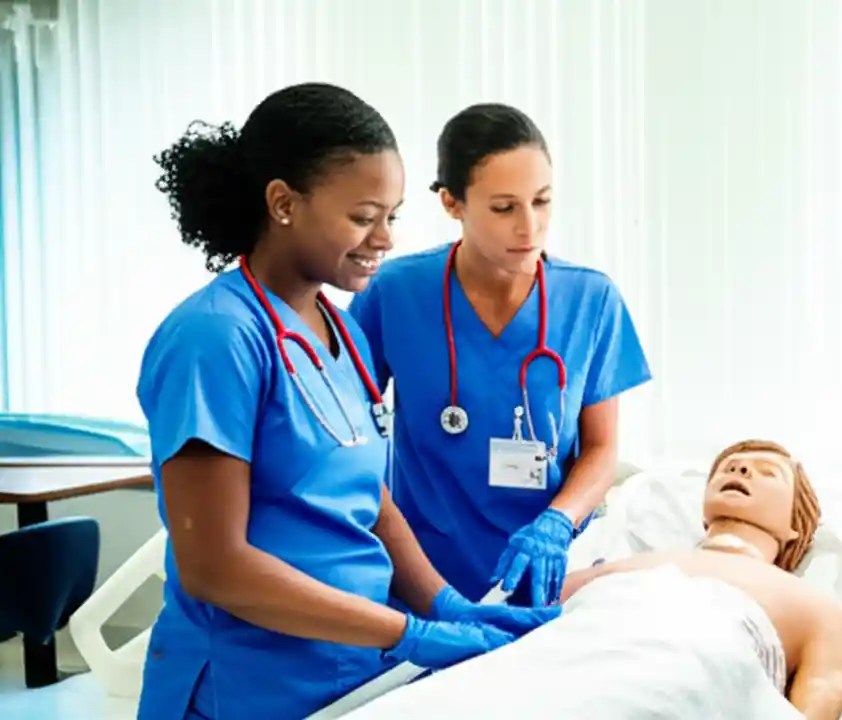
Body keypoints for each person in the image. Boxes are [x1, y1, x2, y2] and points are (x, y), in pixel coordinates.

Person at [136, 82, 558, 719]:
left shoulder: (343, 331)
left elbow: (368, 496)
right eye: (364, 217)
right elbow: (214, 567)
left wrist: (441, 603)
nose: (384, 238)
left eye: (391, 215)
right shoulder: (216, 338)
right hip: (247, 686)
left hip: (349, 673)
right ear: (283, 203)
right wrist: (407, 634)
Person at [348, 103, 652, 608]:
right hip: (421, 580)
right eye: (504, 207)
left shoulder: (591, 301)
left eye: (542, 201)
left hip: (551, 577)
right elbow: (345, 424)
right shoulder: (396, 292)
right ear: (452, 203)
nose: (529, 227)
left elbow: (601, 450)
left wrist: (557, 524)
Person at [343, 440, 842, 720]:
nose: (741, 471)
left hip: (692, 668)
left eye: (765, 473)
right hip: (552, 668)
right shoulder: (622, 567)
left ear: (798, 525)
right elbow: (520, 634)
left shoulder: (820, 610)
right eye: (731, 466)